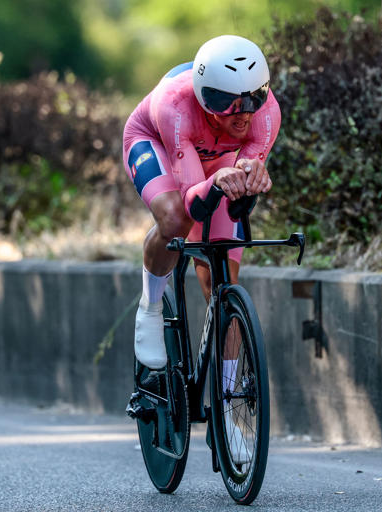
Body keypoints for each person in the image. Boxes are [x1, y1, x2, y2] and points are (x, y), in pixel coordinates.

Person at [122, 36, 280, 460]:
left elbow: (244, 172)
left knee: (222, 277)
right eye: (228, 103)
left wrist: (251, 174)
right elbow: (193, 199)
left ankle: (230, 409)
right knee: (175, 219)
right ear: (205, 96)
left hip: (213, 161)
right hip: (157, 144)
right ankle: (151, 305)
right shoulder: (175, 105)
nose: (243, 113)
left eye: (253, 99)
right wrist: (221, 178)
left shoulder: (267, 115)